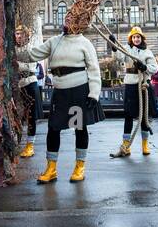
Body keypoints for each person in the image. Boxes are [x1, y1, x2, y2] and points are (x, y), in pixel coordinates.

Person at [16, 26, 103, 182]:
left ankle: (79, 167)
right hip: (60, 91)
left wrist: (94, 93)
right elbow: (32, 55)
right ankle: (51, 168)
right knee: (53, 128)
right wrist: (12, 51)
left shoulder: (84, 43)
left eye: (72, 19)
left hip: (77, 90)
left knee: (79, 128)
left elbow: (94, 69)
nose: (68, 22)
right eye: (67, 18)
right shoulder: (54, 41)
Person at [107, 26, 157, 158]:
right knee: (128, 116)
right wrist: (113, 45)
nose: (136, 39)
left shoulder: (147, 52)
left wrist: (145, 67)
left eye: (138, 37)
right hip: (130, 84)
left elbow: (154, 68)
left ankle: (145, 144)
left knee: (144, 117)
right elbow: (119, 57)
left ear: (141, 38)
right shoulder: (127, 49)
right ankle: (126, 145)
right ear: (131, 38)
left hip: (142, 85)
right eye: (134, 37)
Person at [15, 37, 41, 159]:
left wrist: (14, 61)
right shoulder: (12, 48)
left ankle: (30, 145)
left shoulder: (31, 49)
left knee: (31, 115)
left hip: (30, 84)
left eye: (21, 34)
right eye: (17, 33)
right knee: (16, 115)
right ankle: (16, 142)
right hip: (17, 86)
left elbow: (27, 66)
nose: (18, 36)